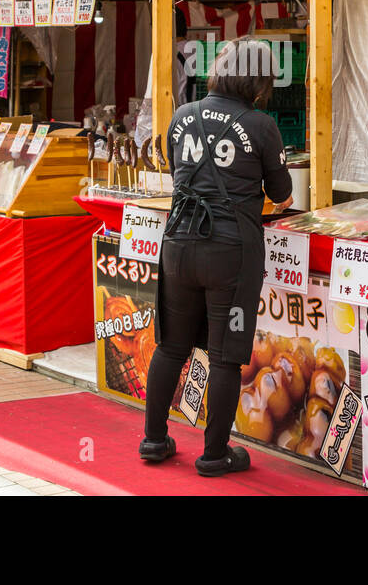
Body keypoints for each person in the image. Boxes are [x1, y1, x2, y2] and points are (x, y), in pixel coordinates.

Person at [139, 36, 294, 477]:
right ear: (258, 79)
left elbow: (180, 174)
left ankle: (153, 439)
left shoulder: (182, 116)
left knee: (171, 346)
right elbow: (281, 195)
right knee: (225, 356)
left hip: (177, 245)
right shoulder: (261, 125)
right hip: (230, 253)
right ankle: (214, 455)